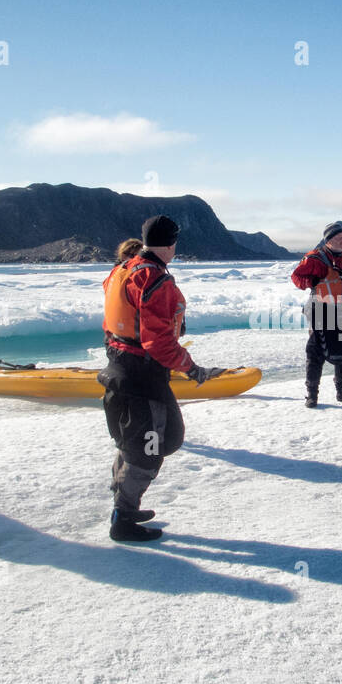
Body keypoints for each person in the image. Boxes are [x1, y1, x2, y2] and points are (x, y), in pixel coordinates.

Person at [99, 215, 224, 542]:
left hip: (120, 366)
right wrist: (191, 368)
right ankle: (123, 519)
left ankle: (122, 504)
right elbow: (159, 342)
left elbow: (114, 322)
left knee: (142, 441)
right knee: (150, 449)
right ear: (171, 243)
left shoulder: (122, 270)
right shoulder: (155, 278)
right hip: (143, 375)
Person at [291, 221, 342, 408]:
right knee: (315, 352)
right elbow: (297, 278)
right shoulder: (315, 258)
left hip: (341, 309)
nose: (341, 241)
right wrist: (312, 281)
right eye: (337, 239)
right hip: (319, 309)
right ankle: (312, 395)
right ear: (328, 240)